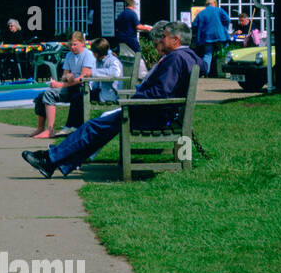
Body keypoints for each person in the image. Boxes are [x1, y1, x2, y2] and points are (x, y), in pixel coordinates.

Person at [22, 21, 203, 178]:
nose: (160, 40)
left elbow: (160, 93)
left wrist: (132, 100)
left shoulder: (175, 59)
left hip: (152, 115)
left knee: (95, 126)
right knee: (99, 126)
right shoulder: (186, 56)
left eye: (164, 37)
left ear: (176, 40)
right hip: (155, 112)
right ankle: (52, 161)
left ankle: (50, 159)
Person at [30, 31, 95, 139]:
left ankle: (50, 130)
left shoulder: (88, 55)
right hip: (71, 86)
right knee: (41, 96)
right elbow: (64, 75)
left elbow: (83, 78)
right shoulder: (69, 55)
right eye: (70, 44)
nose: (72, 47)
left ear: (82, 43)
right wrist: (67, 77)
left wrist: (61, 85)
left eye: (75, 44)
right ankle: (40, 128)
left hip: (83, 88)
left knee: (49, 94)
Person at [191, 0, 231, 78]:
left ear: (206, 4)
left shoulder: (201, 13)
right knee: (222, 53)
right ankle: (224, 72)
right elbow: (227, 19)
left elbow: (194, 25)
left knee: (207, 55)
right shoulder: (219, 10)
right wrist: (223, 27)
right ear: (214, 3)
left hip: (207, 37)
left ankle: (206, 72)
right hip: (220, 36)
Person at [88, 37, 124, 104]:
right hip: (100, 91)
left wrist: (92, 72)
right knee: (78, 95)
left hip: (110, 94)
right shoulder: (99, 61)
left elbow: (115, 73)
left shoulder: (113, 61)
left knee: (78, 98)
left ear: (96, 54)